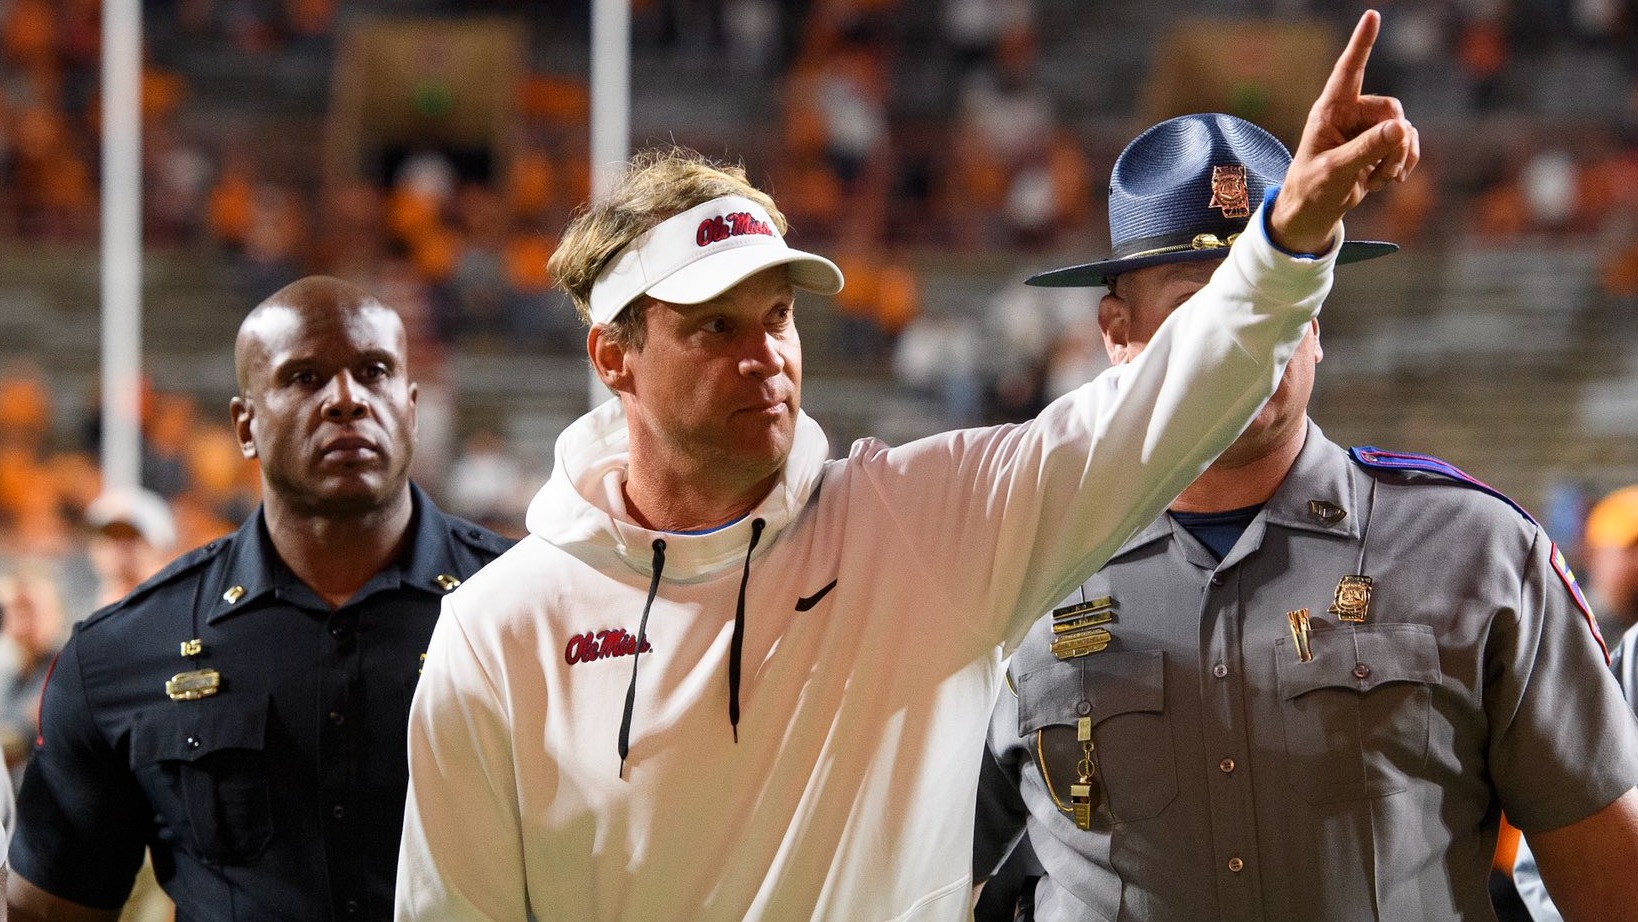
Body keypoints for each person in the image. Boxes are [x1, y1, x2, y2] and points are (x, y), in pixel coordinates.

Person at [395, 11, 1417, 921]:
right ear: (613, 357)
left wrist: (1287, 244)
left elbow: (1149, 411)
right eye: (715, 327)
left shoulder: (915, 527)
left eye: (778, 316)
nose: (766, 355)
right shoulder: (496, 630)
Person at [971, 124, 1638, 922]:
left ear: (1314, 321)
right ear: (1117, 333)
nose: (1246, 340)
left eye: (1274, 300)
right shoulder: (1007, 571)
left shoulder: (1476, 552)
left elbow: (1613, 886)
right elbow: (911, 876)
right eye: (1203, 309)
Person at [7, 276, 512, 921]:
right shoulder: (122, 652)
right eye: (304, 378)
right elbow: (49, 910)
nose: (347, 400)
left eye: (374, 371)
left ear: (411, 409)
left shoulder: (529, 608)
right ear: (245, 426)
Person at [83, 486, 179, 609]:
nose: (117, 549)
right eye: (106, 539)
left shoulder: (179, 605)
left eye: (129, 537)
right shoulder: (87, 607)